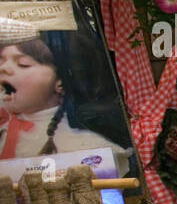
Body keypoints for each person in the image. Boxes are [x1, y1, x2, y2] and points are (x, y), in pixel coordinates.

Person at [0, 33, 132, 168]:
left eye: (23, 64)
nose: (3, 68)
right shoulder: (4, 131)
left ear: (60, 82)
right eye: (1, 61)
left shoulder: (84, 145)